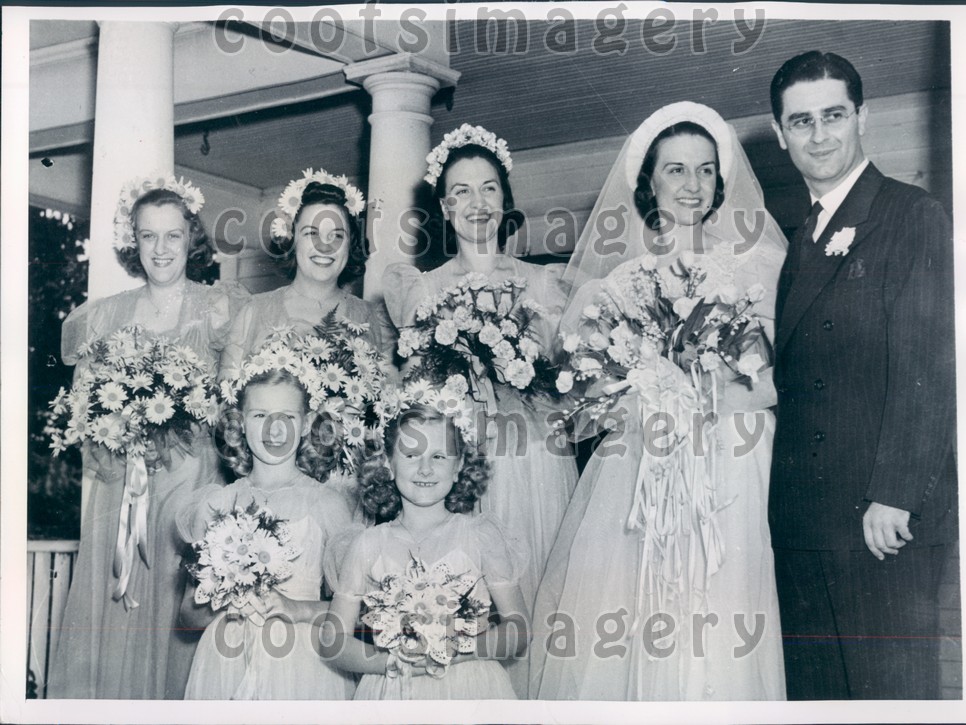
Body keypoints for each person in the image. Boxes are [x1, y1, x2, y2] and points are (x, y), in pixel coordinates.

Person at [531, 102, 788, 700]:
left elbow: (776, 381)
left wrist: (707, 390)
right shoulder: (613, 285)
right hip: (640, 465)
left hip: (732, 459)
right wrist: (651, 396)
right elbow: (586, 404)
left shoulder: (757, 270)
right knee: (631, 606)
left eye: (703, 170)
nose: (691, 185)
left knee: (724, 601)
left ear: (720, 183)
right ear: (649, 182)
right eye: (675, 170)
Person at [767, 51, 958, 700]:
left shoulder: (912, 214)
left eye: (833, 116)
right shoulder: (799, 241)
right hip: (805, 528)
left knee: (891, 701)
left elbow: (929, 364)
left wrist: (897, 492)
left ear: (863, 118)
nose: (818, 135)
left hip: (877, 522)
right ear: (780, 132)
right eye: (801, 121)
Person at [48, 176, 248, 699]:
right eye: (148, 237)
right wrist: (124, 430)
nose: (161, 249)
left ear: (191, 239)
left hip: (191, 484)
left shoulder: (219, 308)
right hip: (124, 488)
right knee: (117, 601)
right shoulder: (108, 315)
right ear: (134, 242)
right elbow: (85, 406)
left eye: (173, 236)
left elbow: (234, 402)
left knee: (172, 601)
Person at [382, 125, 579, 620]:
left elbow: (568, 385)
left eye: (489, 188)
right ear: (446, 208)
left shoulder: (543, 283)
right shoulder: (423, 291)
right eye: (462, 191)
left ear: (505, 199)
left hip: (535, 457)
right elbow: (418, 399)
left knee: (537, 596)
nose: (478, 203)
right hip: (465, 461)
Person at [327, 396, 530, 699]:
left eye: (438, 457)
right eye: (411, 456)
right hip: (393, 691)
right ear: (388, 465)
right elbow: (333, 641)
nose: (425, 469)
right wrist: (390, 662)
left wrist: (456, 650)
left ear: (459, 466)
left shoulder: (479, 535)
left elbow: (519, 630)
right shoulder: (368, 543)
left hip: (469, 688)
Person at [178, 366, 357, 700]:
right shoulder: (218, 503)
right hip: (225, 658)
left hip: (301, 660)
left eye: (288, 416)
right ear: (239, 424)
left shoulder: (326, 503)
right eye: (260, 414)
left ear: (306, 424)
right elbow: (187, 615)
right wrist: (225, 601)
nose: (275, 429)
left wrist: (298, 608)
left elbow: (356, 609)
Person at [220, 170, 397, 378]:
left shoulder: (375, 321)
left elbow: (390, 401)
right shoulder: (252, 313)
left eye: (337, 235)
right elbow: (227, 400)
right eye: (311, 233)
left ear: (351, 244)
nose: (324, 246)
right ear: (291, 239)